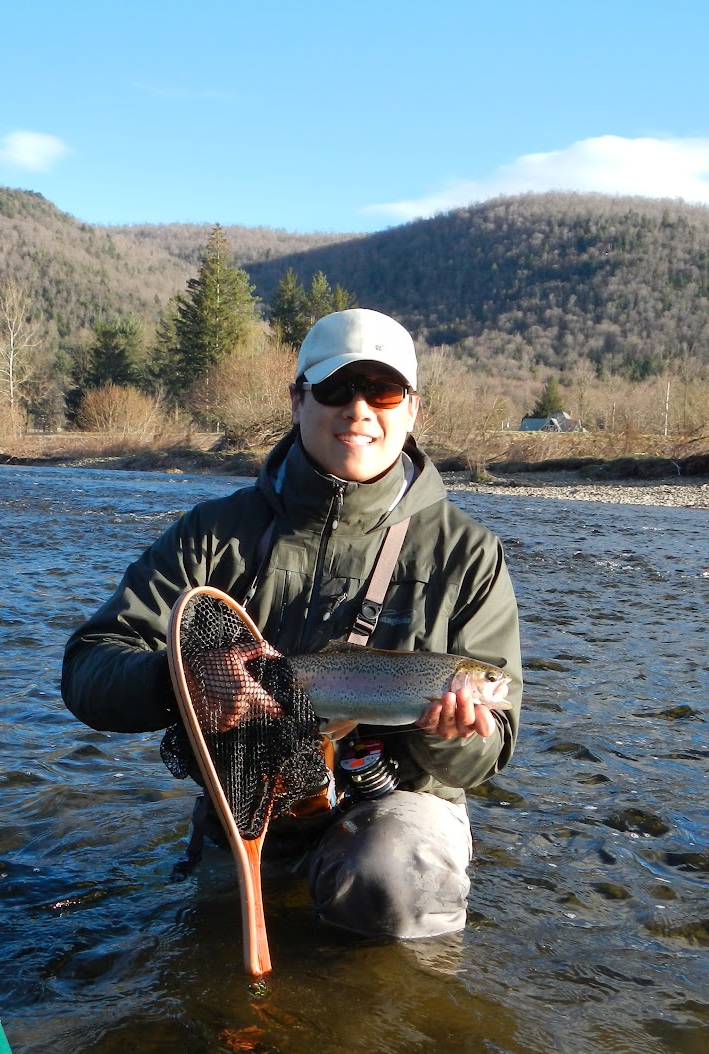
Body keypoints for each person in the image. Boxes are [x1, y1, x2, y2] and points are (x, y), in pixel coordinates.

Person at [61, 308, 521, 939]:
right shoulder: (213, 534)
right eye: (337, 389)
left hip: (398, 808)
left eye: (383, 393)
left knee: (393, 880)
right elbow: (89, 669)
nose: (359, 411)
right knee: (206, 947)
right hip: (249, 796)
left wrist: (449, 736)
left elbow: (488, 756)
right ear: (298, 399)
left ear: (412, 409)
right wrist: (183, 680)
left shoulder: (467, 553)